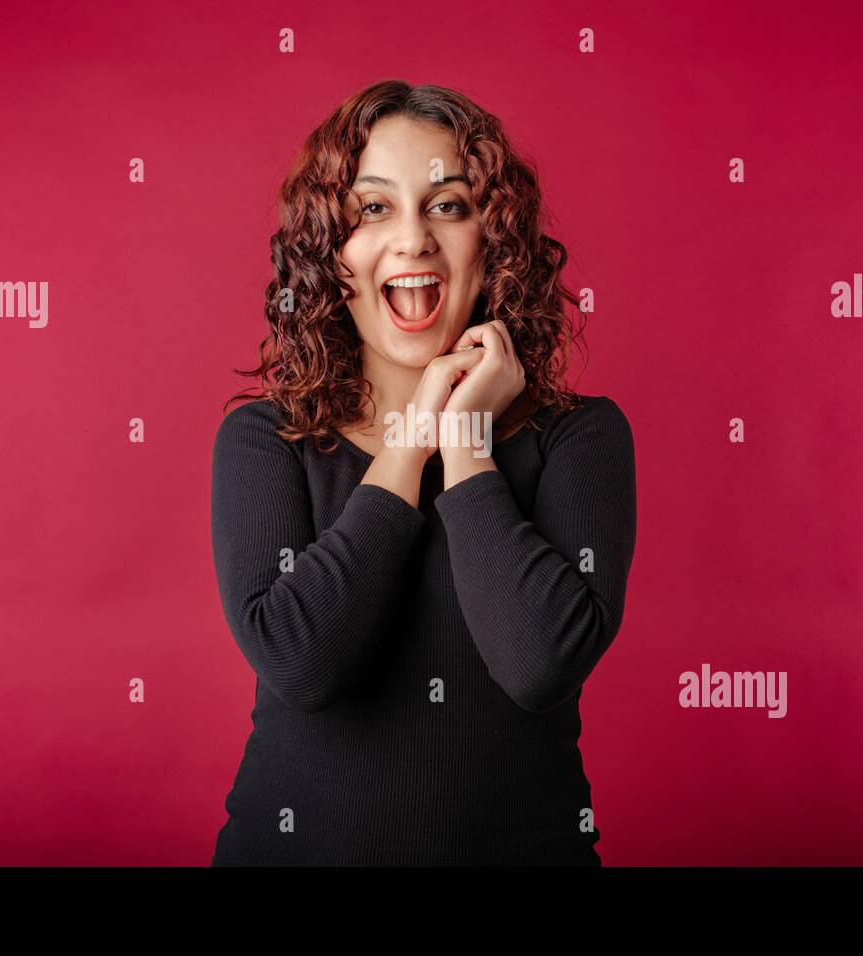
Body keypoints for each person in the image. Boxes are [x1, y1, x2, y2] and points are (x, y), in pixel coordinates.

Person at [210, 79, 637, 865]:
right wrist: (410, 447)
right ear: (330, 253)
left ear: (494, 240)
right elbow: (302, 663)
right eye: (373, 208)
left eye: (448, 204)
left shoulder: (580, 441)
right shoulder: (265, 441)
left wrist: (466, 438)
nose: (413, 240)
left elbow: (538, 663)